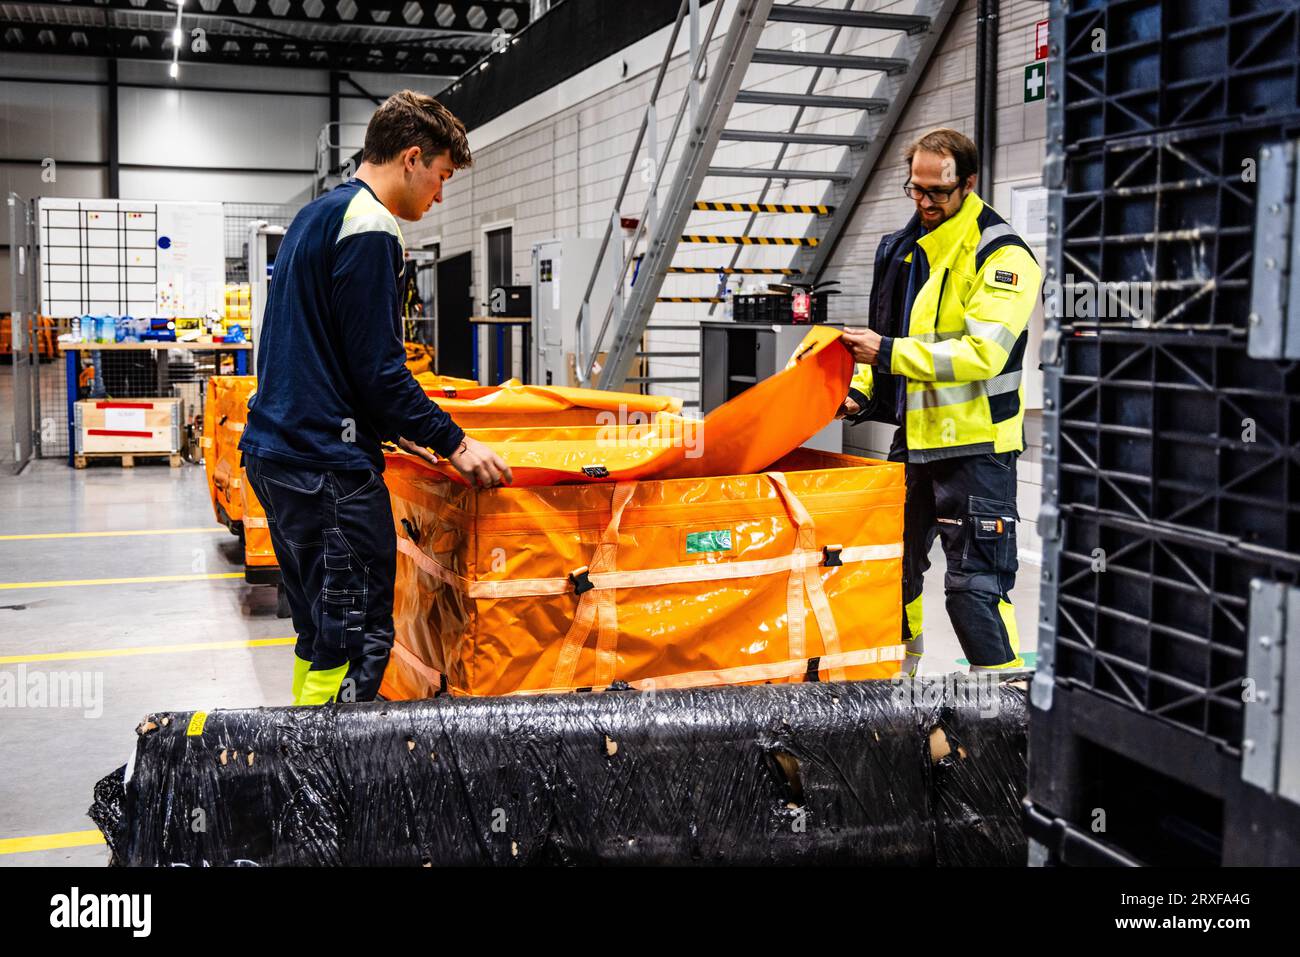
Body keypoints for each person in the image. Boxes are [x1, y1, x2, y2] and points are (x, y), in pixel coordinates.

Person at [240, 91, 512, 706]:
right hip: (326, 470)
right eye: (441, 177)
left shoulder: (320, 214)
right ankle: (333, 782)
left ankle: (303, 757)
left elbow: (333, 356)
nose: (439, 195)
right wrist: (456, 443)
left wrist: (404, 425)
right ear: (412, 158)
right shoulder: (370, 227)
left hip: (278, 458)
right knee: (360, 637)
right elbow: (380, 373)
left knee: (320, 634)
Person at [838, 128, 1041, 676]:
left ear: (968, 184)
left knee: (973, 586)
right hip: (916, 443)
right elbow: (887, 335)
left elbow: (981, 355)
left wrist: (886, 351)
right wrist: (858, 394)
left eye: (938, 193)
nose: (925, 202)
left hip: (977, 448)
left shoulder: (1002, 256)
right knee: (891, 569)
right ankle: (895, 682)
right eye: (916, 189)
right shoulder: (904, 249)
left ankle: (1002, 711)